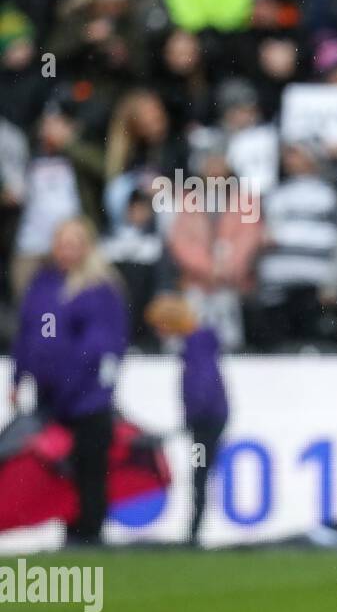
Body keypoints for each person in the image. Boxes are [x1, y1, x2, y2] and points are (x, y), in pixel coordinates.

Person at [10, 217, 128, 545]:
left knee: (90, 465)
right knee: (58, 468)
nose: (67, 250)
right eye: (62, 242)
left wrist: (70, 378)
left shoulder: (99, 289)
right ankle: (68, 525)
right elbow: (29, 334)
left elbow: (101, 345)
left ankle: (89, 530)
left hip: (86, 395)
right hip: (50, 394)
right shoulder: (44, 284)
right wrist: (19, 376)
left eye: (74, 242)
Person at [144, 294, 228, 545]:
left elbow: (202, 385)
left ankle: (195, 532)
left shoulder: (195, 346)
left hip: (205, 422)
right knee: (200, 473)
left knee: (199, 474)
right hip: (208, 420)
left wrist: (194, 416)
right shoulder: (197, 344)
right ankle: (194, 530)